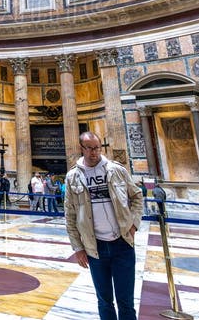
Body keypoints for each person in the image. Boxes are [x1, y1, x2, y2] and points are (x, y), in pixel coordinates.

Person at [64, 133, 143, 320]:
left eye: (97, 148)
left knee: (126, 301)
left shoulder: (117, 170)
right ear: (81, 149)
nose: (94, 153)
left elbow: (137, 196)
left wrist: (134, 225)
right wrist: (78, 248)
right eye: (90, 148)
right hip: (95, 247)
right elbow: (70, 215)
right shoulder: (73, 176)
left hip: (122, 243)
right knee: (104, 300)